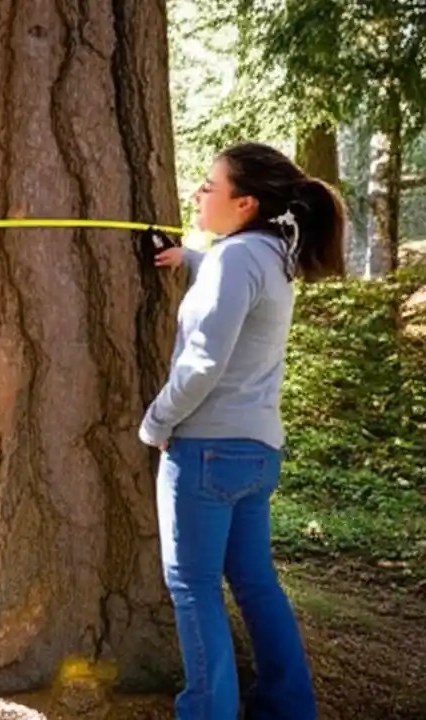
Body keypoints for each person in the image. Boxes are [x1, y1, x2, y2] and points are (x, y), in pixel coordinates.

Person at [141, 141, 346, 720]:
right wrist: (191, 259)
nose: (198, 192)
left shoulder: (236, 260)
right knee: (255, 583)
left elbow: (203, 362)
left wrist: (156, 422)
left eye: (210, 185)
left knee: (194, 587)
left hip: (206, 450)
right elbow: (239, 294)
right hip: (256, 454)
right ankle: (288, 707)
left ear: (246, 203)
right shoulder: (271, 256)